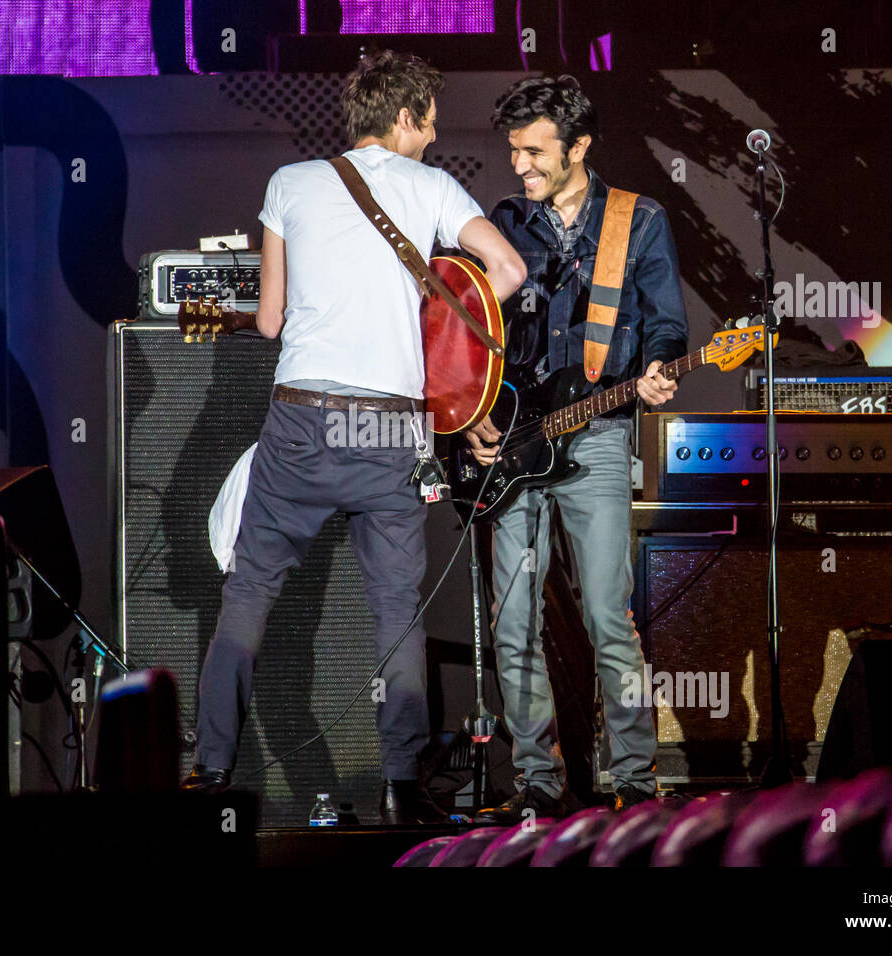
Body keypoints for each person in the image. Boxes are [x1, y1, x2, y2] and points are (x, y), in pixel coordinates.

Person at [182, 50, 526, 825]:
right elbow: (506, 269)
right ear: (404, 118)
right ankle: (403, 785)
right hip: (393, 426)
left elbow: (269, 321)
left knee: (249, 594)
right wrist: (434, 324)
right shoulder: (432, 187)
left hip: (304, 417)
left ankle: (209, 772)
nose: (435, 135)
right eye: (429, 118)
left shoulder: (290, 184)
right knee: (396, 610)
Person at [466, 75, 688, 823]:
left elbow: (665, 325)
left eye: (534, 152)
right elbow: (471, 339)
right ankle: (536, 779)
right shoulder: (504, 221)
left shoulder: (639, 220)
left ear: (579, 147)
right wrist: (475, 418)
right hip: (517, 445)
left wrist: (658, 372)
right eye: (514, 152)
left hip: (596, 436)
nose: (520, 166)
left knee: (606, 616)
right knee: (512, 620)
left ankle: (634, 777)